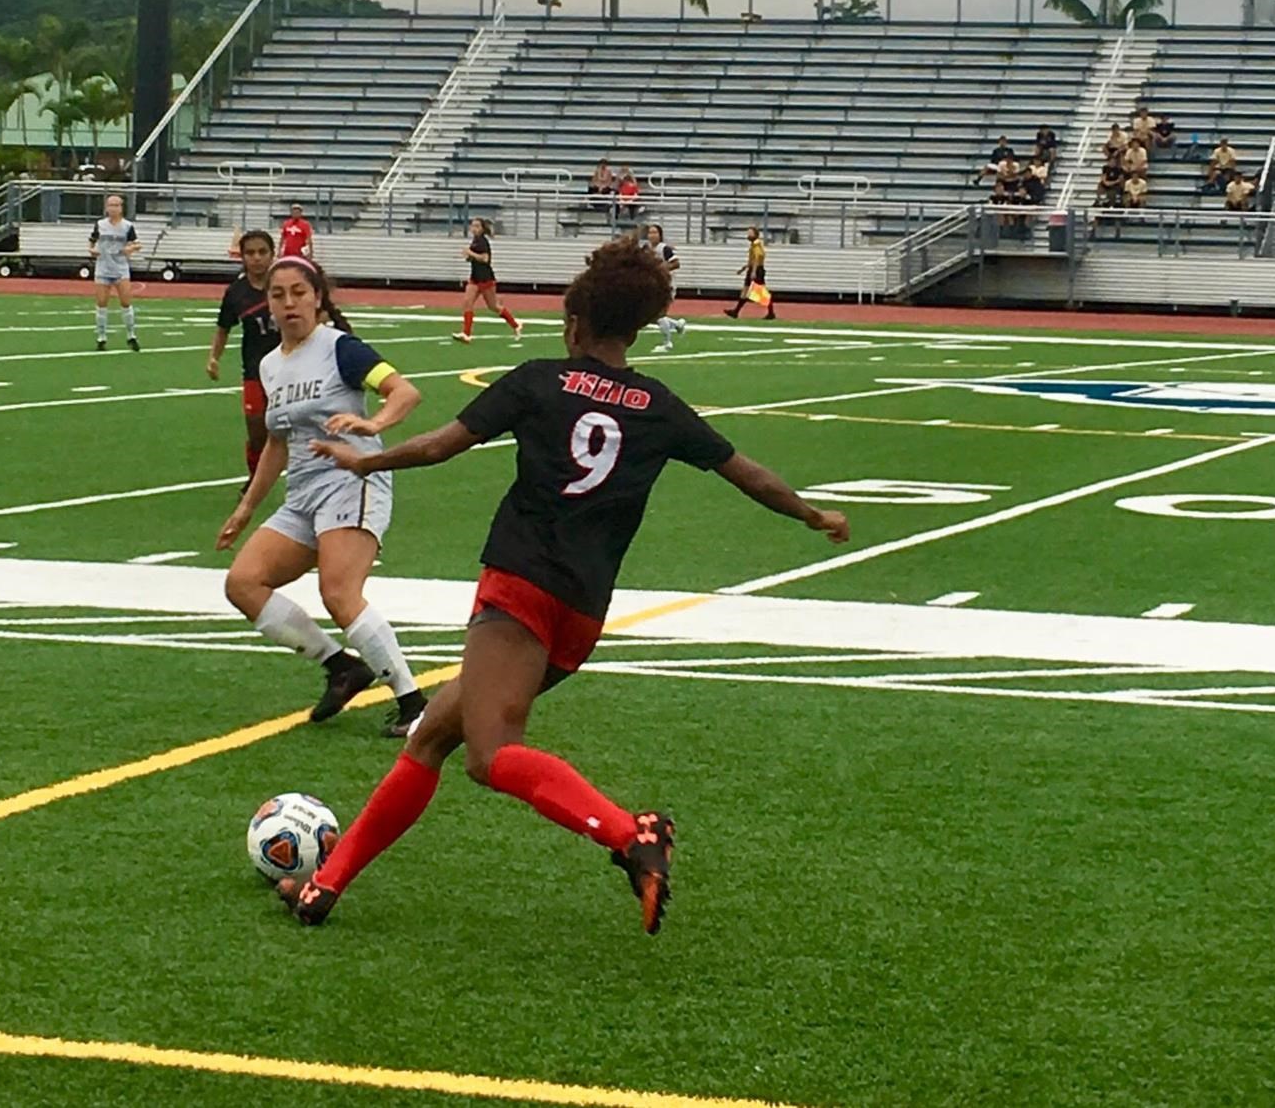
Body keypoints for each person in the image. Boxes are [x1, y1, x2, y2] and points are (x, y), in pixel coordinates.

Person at [279, 237, 851, 932]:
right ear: (635, 327)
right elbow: (746, 471)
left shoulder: (537, 381)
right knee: (431, 737)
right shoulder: (659, 404)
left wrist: (367, 461)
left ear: (576, 323)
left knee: (489, 757)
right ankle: (326, 885)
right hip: (580, 612)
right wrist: (811, 512)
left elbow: (439, 445)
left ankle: (629, 833)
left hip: (519, 589)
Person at [217, 255, 430, 735]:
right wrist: (246, 508)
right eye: (278, 295)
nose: (289, 303)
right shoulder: (271, 365)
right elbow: (278, 439)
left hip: (351, 481)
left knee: (337, 591)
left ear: (317, 298)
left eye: (298, 292)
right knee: (243, 583)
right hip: (304, 494)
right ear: (267, 304)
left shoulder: (341, 349)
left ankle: (415, 704)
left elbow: (404, 393)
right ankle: (341, 668)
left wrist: (372, 424)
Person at [209, 228, 280, 482]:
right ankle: (255, 477)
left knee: (298, 427)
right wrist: (214, 357)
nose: (257, 258)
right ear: (242, 257)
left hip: (292, 367)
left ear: (273, 254)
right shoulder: (237, 292)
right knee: (256, 427)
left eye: (262, 252)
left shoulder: (285, 284)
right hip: (255, 369)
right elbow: (223, 327)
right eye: (250, 253)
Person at [455, 217, 523, 343]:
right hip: (475, 277)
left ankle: (515, 325)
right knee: (467, 302)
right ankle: (466, 333)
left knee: (493, 306)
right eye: (473, 226)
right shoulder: (475, 241)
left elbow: (485, 259)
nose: (474, 229)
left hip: (485, 278)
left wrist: (470, 253)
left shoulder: (482, 242)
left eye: (477, 226)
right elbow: (475, 258)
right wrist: (469, 257)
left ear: (482, 229)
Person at [89, 193, 140, 352]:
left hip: (120, 268)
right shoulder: (100, 224)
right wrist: (92, 250)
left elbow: (137, 244)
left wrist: (129, 249)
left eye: (116, 205)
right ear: (106, 207)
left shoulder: (127, 226)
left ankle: (131, 335)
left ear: (121, 207)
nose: (113, 208)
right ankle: (101, 337)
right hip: (103, 267)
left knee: (125, 302)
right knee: (102, 303)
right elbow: (92, 240)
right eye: (110, 205)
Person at [642, 224, 687, 352]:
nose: (652, 235)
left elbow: (676, 263)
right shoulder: (647, 249)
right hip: (654, 284)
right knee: (652, 316)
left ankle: (667, 343)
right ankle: (677, 325)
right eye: (650, 233)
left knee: (659, 314)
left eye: (655, 232)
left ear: (660, 235)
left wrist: (660, 269)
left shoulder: (665, 249)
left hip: (666, 285)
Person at [724, 225, 775, 319]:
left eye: (750, 233)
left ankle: (771, 312)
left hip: (757, 270)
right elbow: (752, 259)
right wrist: (744, 268)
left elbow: (756, 259)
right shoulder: (754, 245)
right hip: (753, 269)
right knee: (745, 291)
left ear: (755, 234)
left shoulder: (756, 245)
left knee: (761, 292)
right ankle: (736, 311)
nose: (748, 235)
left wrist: (753, 272)